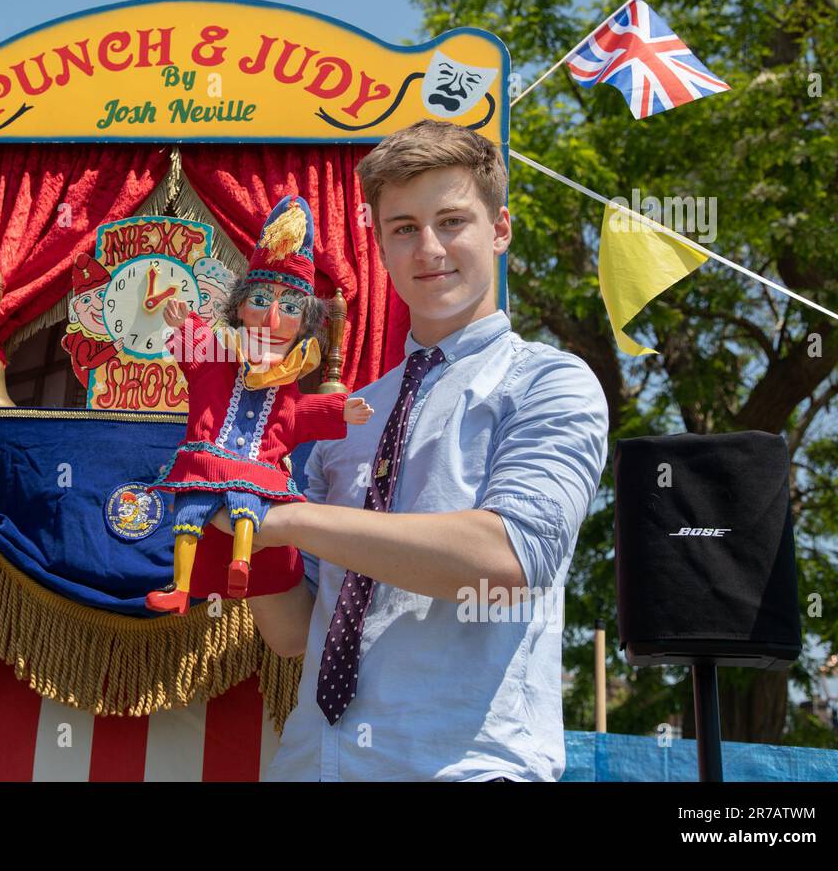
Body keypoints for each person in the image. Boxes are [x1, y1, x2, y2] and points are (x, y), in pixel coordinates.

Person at [211, 120, 609, 781]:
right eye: (403, 228)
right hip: (313, 763)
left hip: (467, 767)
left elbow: (506, 562)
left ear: (500, 229)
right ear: (380, 243)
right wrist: (234, 500)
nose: (429, 249)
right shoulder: (346, 414)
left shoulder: (549, 382)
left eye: (451, 221)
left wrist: (283, 519)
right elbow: (290, 633)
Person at [144, 196, 374, 614]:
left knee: (247, 510)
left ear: (302, 324)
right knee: (188, 516)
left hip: (255, 472)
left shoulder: (287, 380)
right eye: (261, 302)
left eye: (288, 308)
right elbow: (194, 351)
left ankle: (241, 563)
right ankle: (179, 587)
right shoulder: (217, 358)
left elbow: (298, 416)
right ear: (240, 308)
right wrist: (182, 325)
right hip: (206, 464)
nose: (272, 320)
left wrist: (340, 410)